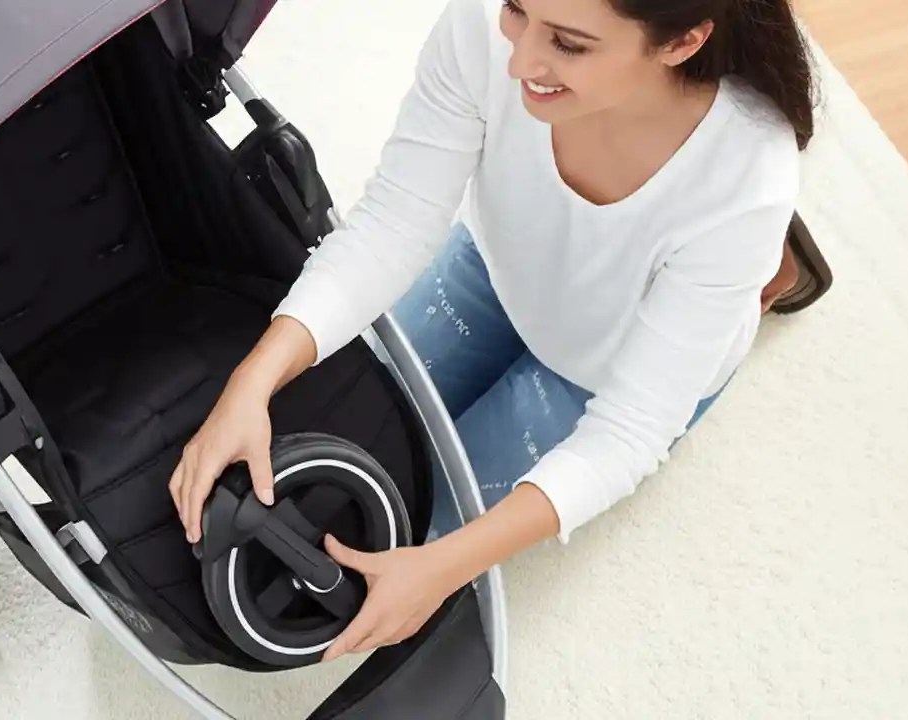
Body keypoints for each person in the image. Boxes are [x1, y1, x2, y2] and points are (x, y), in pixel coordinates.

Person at [169, 0, 815, 662]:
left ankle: (766, 276)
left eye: (568, 43)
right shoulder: (483, 28)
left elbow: (629, 430)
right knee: (336, 436)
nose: (520, 60)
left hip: (602, 366)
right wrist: (256, 377)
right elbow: (393, 220)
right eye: (516, 10)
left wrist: (445, 568)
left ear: (679, 44)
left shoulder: (747, 176)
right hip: (499, 266)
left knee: (397, 533)